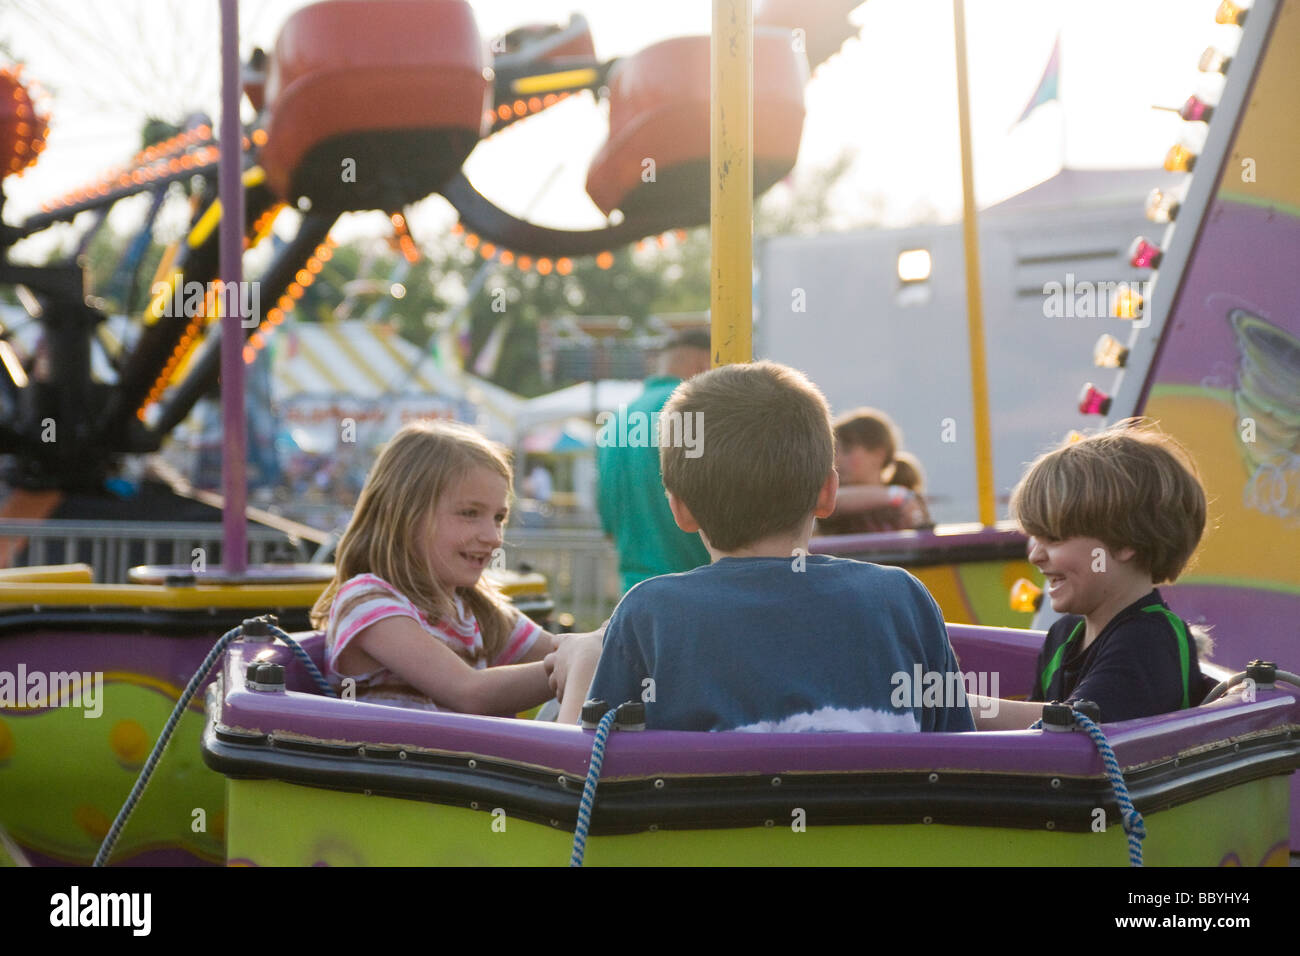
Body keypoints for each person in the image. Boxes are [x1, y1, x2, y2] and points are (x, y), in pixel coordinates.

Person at [548, 361, 974, 733]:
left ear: (680, 510)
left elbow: (592, 775)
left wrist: (584, 661)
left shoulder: (649, 615)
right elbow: (961, 752)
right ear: (828, 494)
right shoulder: (902, 600)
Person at [310, 420, 601, 714]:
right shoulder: (366, 600)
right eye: (470, 513)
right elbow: (469, 693)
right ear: (406, 516)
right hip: (404, 760)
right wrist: (572, 663)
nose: (493, 537)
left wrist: (606, 642)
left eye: (499, 518)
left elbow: (561, 646)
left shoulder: (477, 609)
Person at [969, 421, 1211, 729]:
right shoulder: (1065, 635)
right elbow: (1030, 741)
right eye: (1034, 538)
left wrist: (950, 706)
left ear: (1125, 541)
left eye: (1053, 539)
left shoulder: (1148, 640)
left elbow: (1078, 729)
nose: (1035, 556)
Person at [596, 329, 712, 594]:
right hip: (698, 589)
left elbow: (608, 523)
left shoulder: (615, 422)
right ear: (704, 365)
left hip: (635, 593)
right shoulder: (697, 408)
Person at [818, 407, 928, 534]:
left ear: (878, 454)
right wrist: (898, 495)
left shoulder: (908, 505)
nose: (837, 461)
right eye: (835, 452)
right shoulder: (826, 499)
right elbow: (827, 501)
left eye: (847, 451)